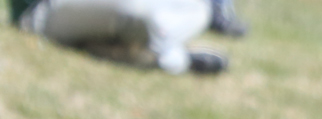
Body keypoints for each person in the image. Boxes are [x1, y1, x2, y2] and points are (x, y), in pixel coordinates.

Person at [13, 0, 228, 74]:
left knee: (199, 9)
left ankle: (128, 45)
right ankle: (174, 58)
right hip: (48, 9)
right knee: (134, 12)